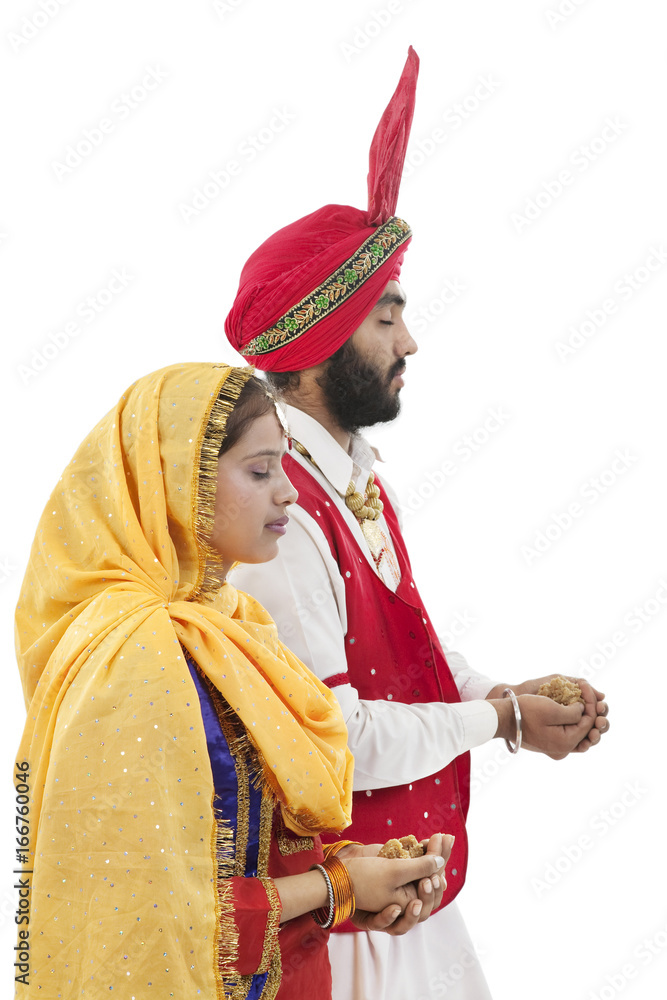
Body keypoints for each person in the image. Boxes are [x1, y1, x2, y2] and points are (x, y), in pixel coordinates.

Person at [226, 49, 610, 999]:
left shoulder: (358, 480)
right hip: (344, 923)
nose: (408, 342)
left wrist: (503, 699)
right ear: (319, 345)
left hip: (412, 895)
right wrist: (499, 718)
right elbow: (341, 735)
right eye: (386, 317)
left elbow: (408, 654)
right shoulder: (276, 523)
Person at [13, 362, 454, 999]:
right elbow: (154, 921)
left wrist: (360, 871)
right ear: (178, 484)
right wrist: (338, 887)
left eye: (283, 466)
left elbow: (244, 846)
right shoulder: (136, 661)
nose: (289, 492)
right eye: (260, 470)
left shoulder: (230, 623)